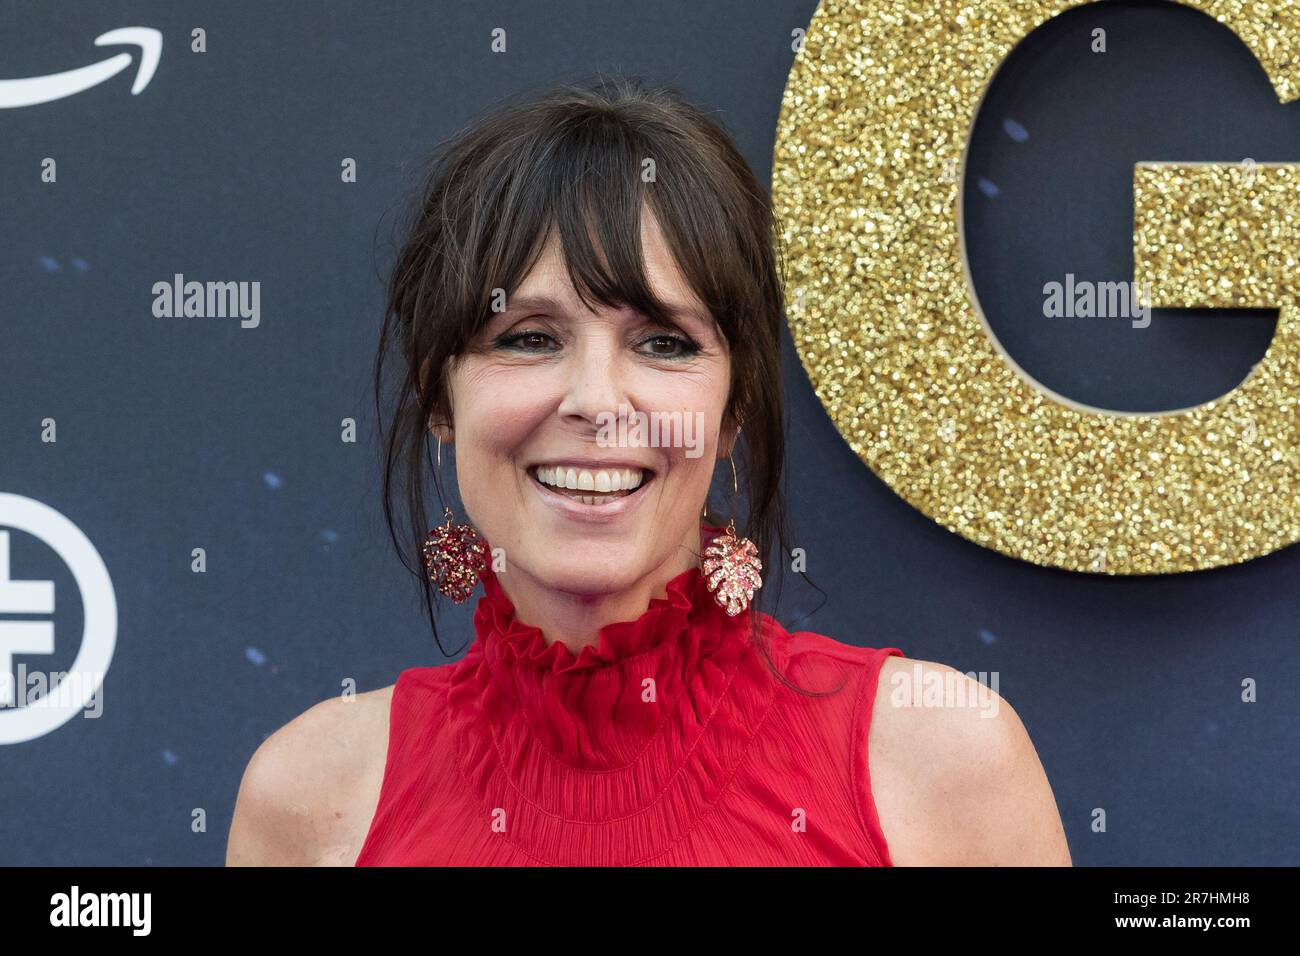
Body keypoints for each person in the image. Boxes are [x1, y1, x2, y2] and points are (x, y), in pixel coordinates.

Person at [226, 75, 1071, 866]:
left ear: (734, 410)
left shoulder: (943, 762)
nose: (598, 400)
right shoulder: (311, 799)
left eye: (663, 342)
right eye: (528, 337)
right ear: (440, 400)